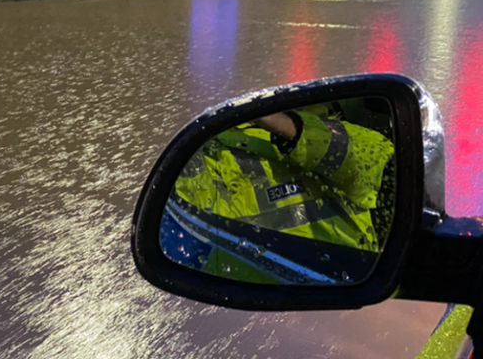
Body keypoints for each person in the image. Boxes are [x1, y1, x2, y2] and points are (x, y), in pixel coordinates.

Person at [160, 103, 395, 285]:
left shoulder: (320, 116)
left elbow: (374, 166)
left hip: (354, 283)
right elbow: (196, 224)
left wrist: (288, 127)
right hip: (285, 299)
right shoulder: (205, 149)